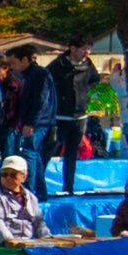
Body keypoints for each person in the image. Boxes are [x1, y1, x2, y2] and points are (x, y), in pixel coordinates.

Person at [46, 41, 99, 197]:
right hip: (60, 116)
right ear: (73, 48)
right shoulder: (58, 64)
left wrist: (83, 93)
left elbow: (94, 80)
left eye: (89, 48)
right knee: (49, 149)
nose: (87, 52)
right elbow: (47, 82)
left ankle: (68, 187)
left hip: (79, 116)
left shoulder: (88, 64)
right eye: (83, 48)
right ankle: (38, 184)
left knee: (72, 152)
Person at [4, 44, 56, 198]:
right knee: (35, 155)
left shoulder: (39, 75)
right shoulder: (29, 75)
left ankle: (28, 191)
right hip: (35, 120)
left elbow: (41, 100)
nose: (11, 67)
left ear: (25, 60)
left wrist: (30, 123)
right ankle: (40, 191)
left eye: (13, 63)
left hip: (38, 122)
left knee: (29, 153)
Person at [0, 154, 49, 243]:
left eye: (13, 175)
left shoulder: (31, 197)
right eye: (4, 174)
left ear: (23, 177)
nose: (8, 178)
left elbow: (39, 222)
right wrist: (9, 240)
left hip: (25, 244)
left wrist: (47, 238)